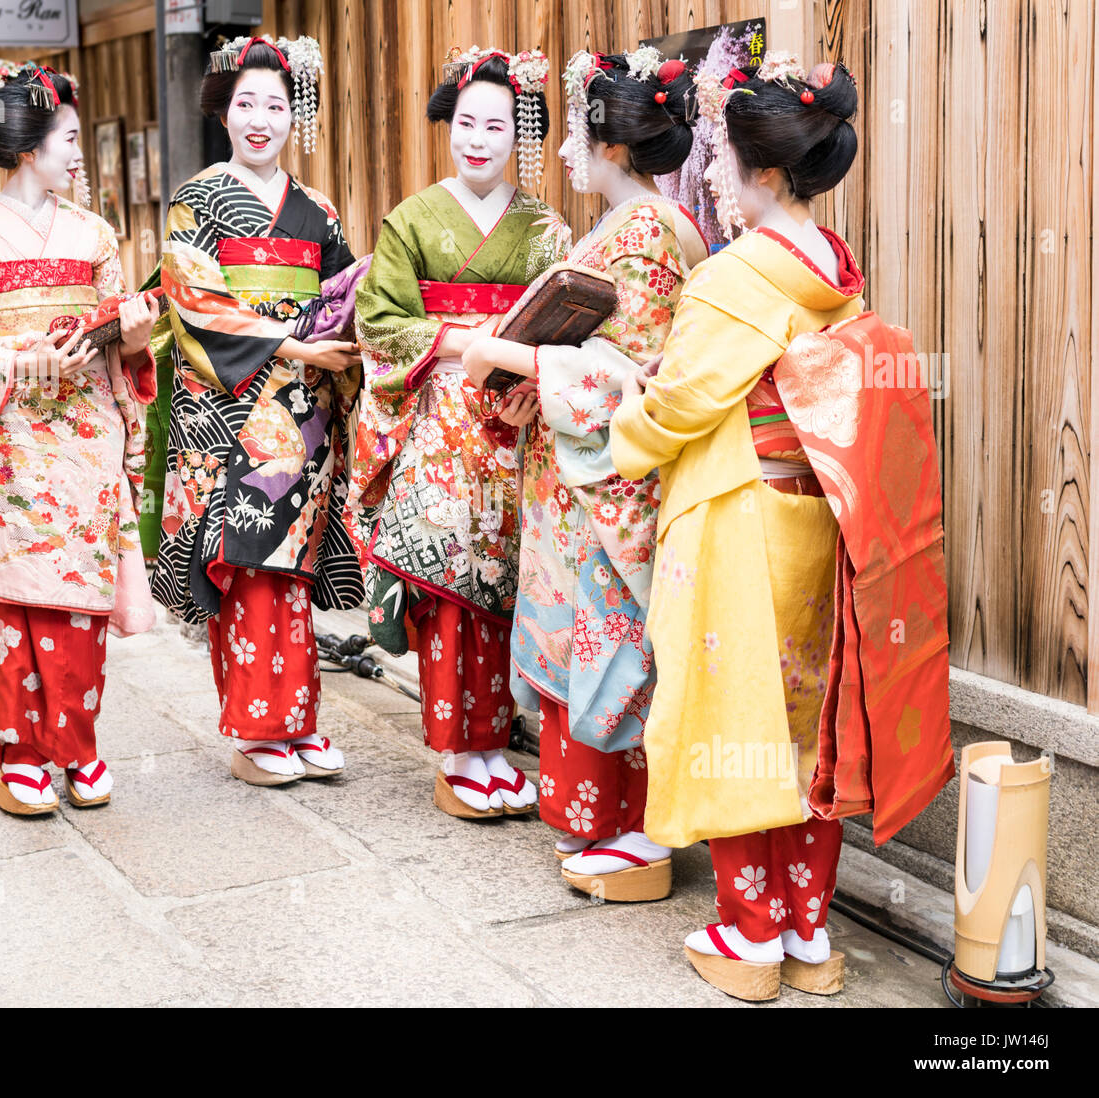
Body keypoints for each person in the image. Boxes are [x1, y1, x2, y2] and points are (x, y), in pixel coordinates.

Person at [610, 54, 951, 999]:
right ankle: (807, 931)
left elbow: (679, 405)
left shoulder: (732, 280)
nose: (709, 175)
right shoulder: (835, 273)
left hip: (739, 518)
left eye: (719, 159)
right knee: (807, 729)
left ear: (765, 172)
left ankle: (748, 933)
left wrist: (622, 422)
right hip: (819, 519)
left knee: (733, 719)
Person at [463, 48, 706, 897]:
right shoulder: (632, 227)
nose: (565, 149)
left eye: (577, 132)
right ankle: (595, 818)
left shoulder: (647, 232)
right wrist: (532, 380)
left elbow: (631, 368)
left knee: (609, 645)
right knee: (584, 641)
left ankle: (626, 826)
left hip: (607, 482)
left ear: (611, 146)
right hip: (573, 474)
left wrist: (509, 358)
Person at [0, 60, 160, 816]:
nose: (80, 153)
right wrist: (23, 359)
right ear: (28, 146)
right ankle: (20, 751)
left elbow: (112, 323)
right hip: (12, 435)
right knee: (17, 603)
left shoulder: (93, 231)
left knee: (80, 603)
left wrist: (136, 335)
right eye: (70, 139)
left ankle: (79, 745)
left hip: (84, 433)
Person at [346, 47, 570, 820]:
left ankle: (491, 745)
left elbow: (572, 323)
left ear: (522, 134)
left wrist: (528, 374)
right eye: (466, 123)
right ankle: (453, 753)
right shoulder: (412, 218)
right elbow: (380, 324)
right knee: (448, 588)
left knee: (505, 588)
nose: (478, 139)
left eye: (497, 126)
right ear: (449, 127)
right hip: (440, 416)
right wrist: (469, 342)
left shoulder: (545, 228)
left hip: (516, 419)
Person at [151, 36, 364, 787]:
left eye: (276, 104)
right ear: (224, 111)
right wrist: (295, 346)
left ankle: (299, 720)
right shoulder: (198, 200)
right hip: (227, 407)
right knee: (243, 561)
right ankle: (254, 731)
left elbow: (343, 300)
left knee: (291, 569)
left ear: (293, 113)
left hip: (302, 411)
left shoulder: (318, 210)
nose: (261, 119)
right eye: (246, 104)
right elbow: (194, 302)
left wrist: (343, 337)